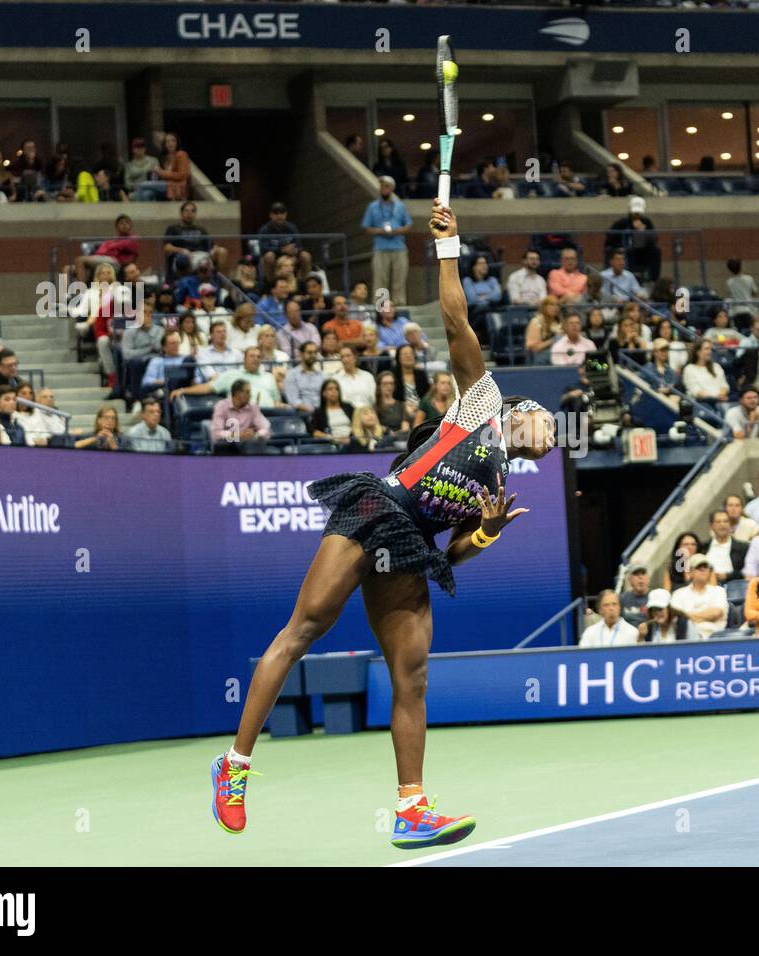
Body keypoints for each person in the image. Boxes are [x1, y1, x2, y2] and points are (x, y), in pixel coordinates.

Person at [210, 201, 555, 847]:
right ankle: (234, 767)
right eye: (551, 424)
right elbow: (455, 318)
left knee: (413, 674)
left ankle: (411, 806)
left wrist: (486, 534)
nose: (554, 437)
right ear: (524, 411)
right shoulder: (482, 401)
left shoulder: (501, 485)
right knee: (303, 630)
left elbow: (451, 559)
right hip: (376, 510)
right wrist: (448, 247)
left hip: (414, 547)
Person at [362, 176, 412, 305]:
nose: (383, 189)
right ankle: (380, 307)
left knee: (399, 280)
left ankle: (399, 308)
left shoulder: (400, 206)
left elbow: (408, 225)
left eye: (386, 186)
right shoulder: (372, 207)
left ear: (392, 188)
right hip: (380, 247)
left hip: (398, 247)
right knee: (380, 280)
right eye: (382, 186)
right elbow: (366, 227)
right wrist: (379, 231)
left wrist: (397, 231)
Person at [669, 555, 729, 640]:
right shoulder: (678, 594)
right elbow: (676, 618)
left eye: (705, 567)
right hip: (686, 639)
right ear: (690, 572)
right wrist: (706, 616)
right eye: (699, 567)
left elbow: (716, 613)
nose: (703, 569)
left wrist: (687, 617)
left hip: (715, 637)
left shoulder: (719, 591)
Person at [703, 510, 749, 584]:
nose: (722, 525)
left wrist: (728, 576)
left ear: (730, 525)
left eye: (725, 521)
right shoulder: (703, 547)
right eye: (718, 522)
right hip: (707, 585)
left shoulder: (743, 547)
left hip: (734, 585)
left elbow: (748, 571)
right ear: (711, 526)